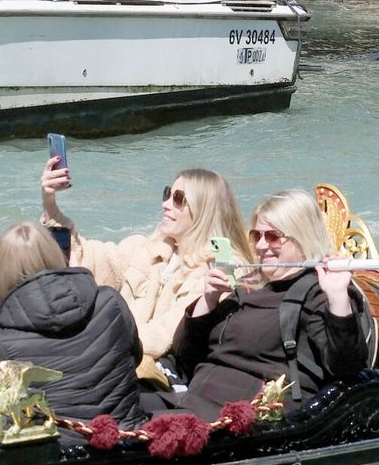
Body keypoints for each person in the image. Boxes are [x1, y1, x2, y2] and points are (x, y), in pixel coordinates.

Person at [40, 160, 251, 385]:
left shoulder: (219, 270)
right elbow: (86, 257)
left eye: (178, 199)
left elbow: (166, 334)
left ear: (204, 212)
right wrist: (50, 202)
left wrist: (97, 340)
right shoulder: (146, 247)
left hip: (165, 378)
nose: (166, 204)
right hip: (118, 356)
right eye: (167, 194)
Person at [168, 189, 369, 422]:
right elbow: (184, 357)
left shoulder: (317, 291)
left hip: (241, 416)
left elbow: (348, 368)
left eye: (273, 236)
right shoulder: (249, 285)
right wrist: (208, 299)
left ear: (303, 237)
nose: (261, 246)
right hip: (194, 399)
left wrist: (337, 298)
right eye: (256, 236)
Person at [0, 222, 147, 422]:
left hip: (55, 447)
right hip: (124, 435)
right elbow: (135, 356)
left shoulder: (0, 337)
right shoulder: (110, 301)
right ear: (57, 254)